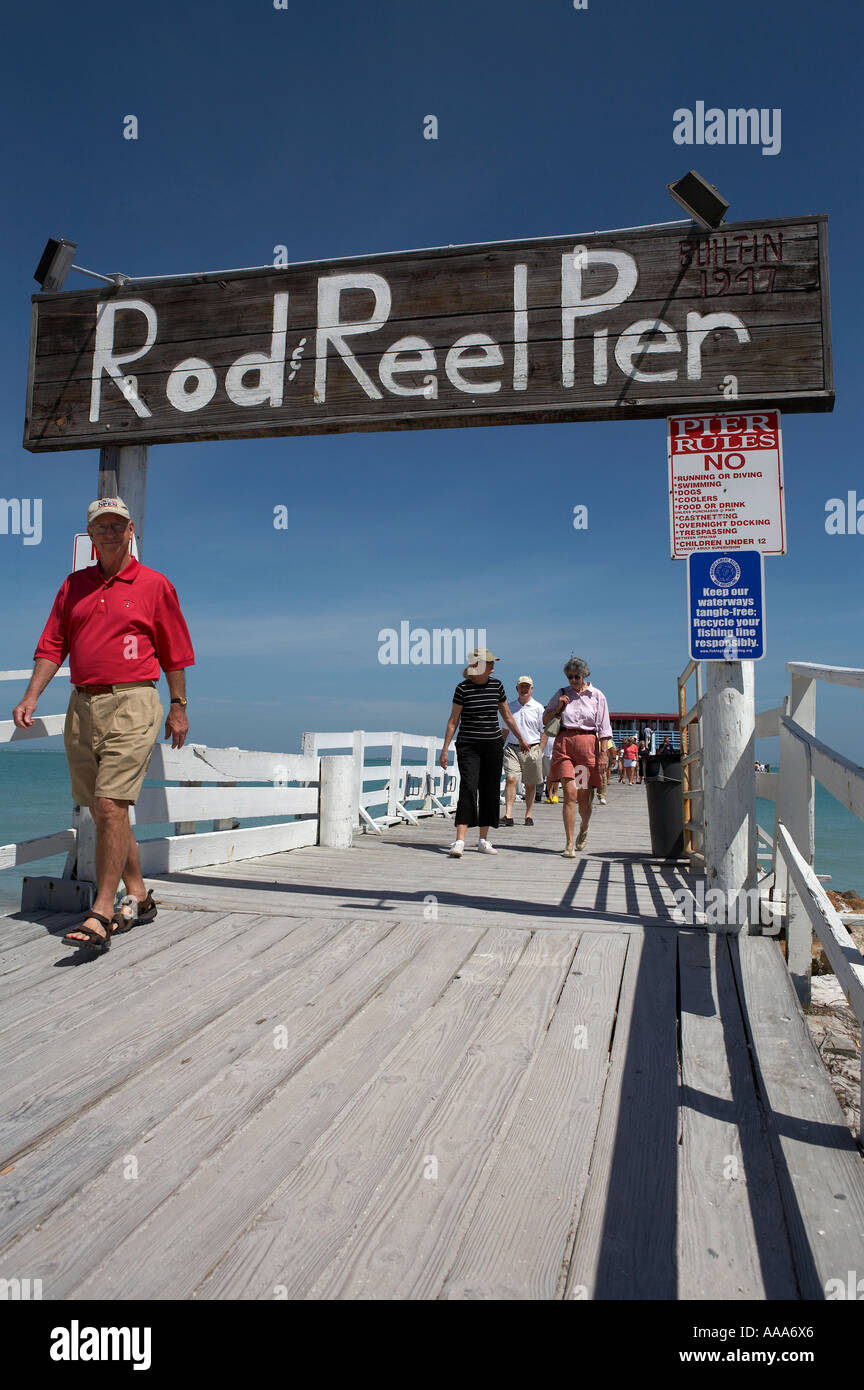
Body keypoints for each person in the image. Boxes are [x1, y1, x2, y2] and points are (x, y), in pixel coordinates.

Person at [13, 497, 194, 952]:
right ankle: (139, 895)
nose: (109, 532)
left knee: (111, 804)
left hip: (134, 699)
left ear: (130, 530)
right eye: (101, 526)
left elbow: (174, 651)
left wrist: (178, 705)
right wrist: (31, 695)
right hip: (83, 704)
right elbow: (53, 645)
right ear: (89, 535)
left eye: (117, 525)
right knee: (103, 809)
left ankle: (102, 909)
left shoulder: (155, 584)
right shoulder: (72, 586)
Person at [439, 648, 529, 857]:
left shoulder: (497, 686)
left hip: (492, 745)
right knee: (468, 788)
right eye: (489, 663)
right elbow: (454, 721)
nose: (493, 666)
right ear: (477, 665)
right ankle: (460, 841)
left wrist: (522, 739)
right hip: (468, 745)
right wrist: (445, 749)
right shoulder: (462, 689)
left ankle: (483, 840)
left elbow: (507, 716)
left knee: (489, 791)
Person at [543, 657, 612, 857]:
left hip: (586, 748)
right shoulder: (562, 693)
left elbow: (604, 729)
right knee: (569, 795)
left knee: (583, 799)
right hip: (565, 745)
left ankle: (584, 827)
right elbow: (545, 720)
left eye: (577, 676)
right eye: (570, 676)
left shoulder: (597, 696)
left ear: (585, 675)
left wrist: (604, 754)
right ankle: (569, 842)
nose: (573, 680)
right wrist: (558, 708)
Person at [502, 677, 545, 826]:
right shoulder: (509, 707)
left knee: (530, 783)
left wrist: (540, 750)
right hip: (512, 748)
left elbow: (544, 731)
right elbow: (505, 730)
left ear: (532, 689)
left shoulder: (538, 708)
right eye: (521, 686)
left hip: (532, 748)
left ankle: (528, 814)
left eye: (527, 687)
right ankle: (508, 815)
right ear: (517, 688)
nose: (524, 689)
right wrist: (499, 747)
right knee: (511, 779)